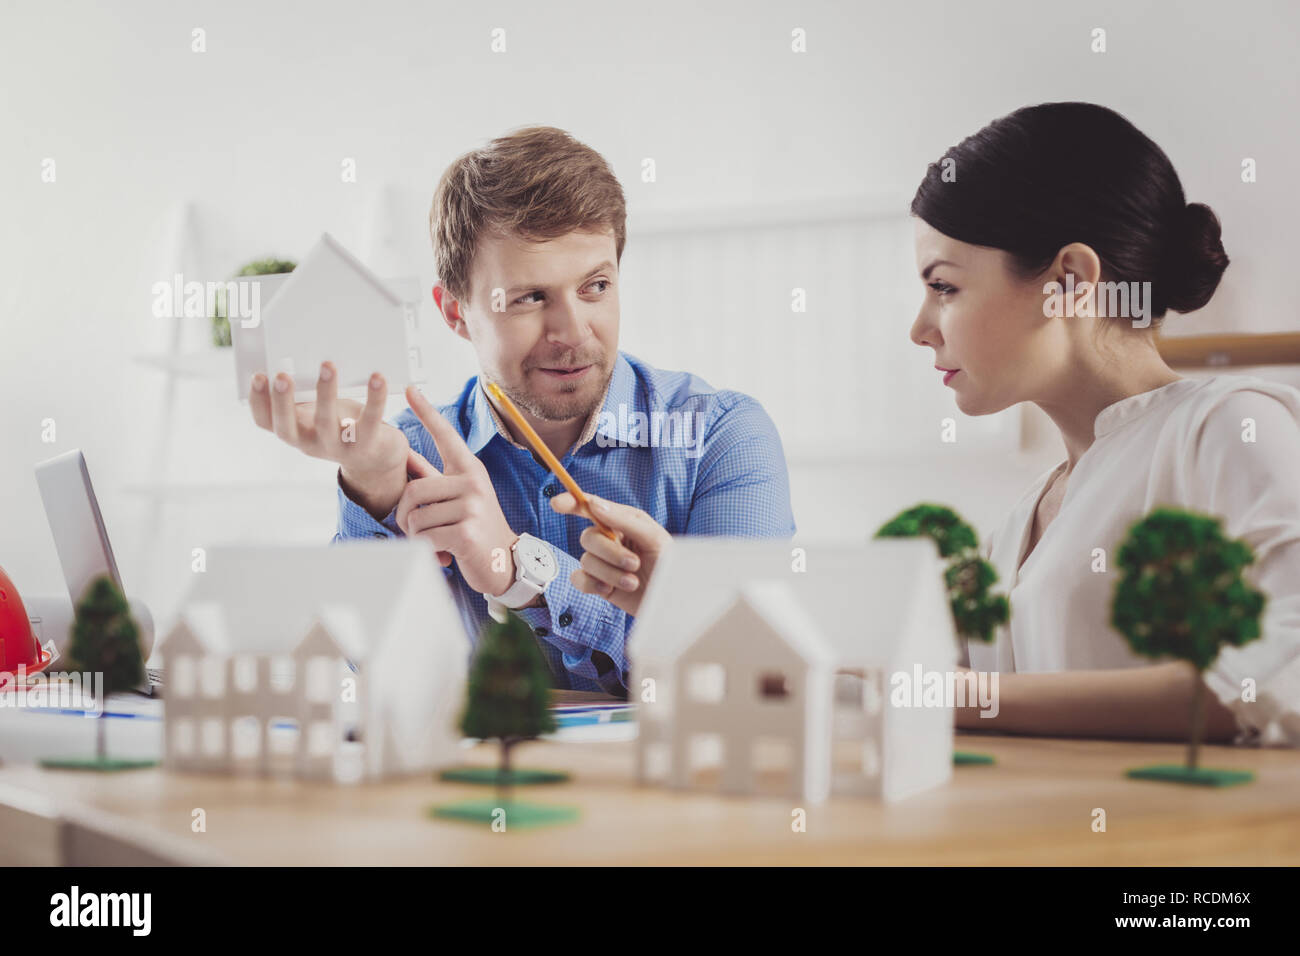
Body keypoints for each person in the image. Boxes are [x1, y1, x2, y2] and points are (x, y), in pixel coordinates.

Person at [248, 126, 796, 696]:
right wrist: (375, 483)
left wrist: (523, 572)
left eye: (596, 286)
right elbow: (377, 677)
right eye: (529, 298)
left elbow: (747, 685)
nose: (573, 332)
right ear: (455, 312)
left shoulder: (722, 436)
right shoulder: (413, 452)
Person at [909, 102, 1300, 745]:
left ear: (1068, 279)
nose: (920, 329)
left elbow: (1276, 675)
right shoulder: (1020, 521)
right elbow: (925, 681)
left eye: (944, 286)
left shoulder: (1228, 427)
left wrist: (960, 697)